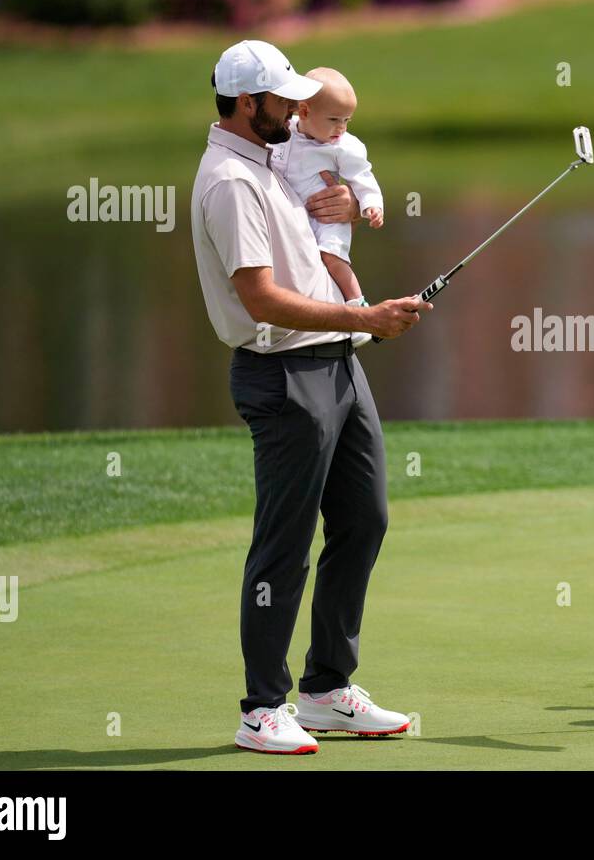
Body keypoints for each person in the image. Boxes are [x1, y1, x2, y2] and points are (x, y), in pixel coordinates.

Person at [190, 38, 432, 754]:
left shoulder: (268, 160)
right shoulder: (229, 181)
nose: (298, 108)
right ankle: (262, 707)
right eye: (283, 99)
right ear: (246, 103)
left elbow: (320, 221)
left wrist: (347, 200)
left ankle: (326, 691)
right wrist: (365, 317)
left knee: (364, 519)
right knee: (284, 544)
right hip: (283, 374)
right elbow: (262, 298)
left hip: (337, 367)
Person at [269, 66, 383, 348]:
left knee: (332, 258)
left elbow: (363, 177)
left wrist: (370, 205)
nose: (341, 128)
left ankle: (358, 306)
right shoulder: (286, 134)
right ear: (304, 112)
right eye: (334, 119)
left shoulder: (344, 146)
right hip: (297, 218)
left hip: (329, 219)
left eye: (347, 120)